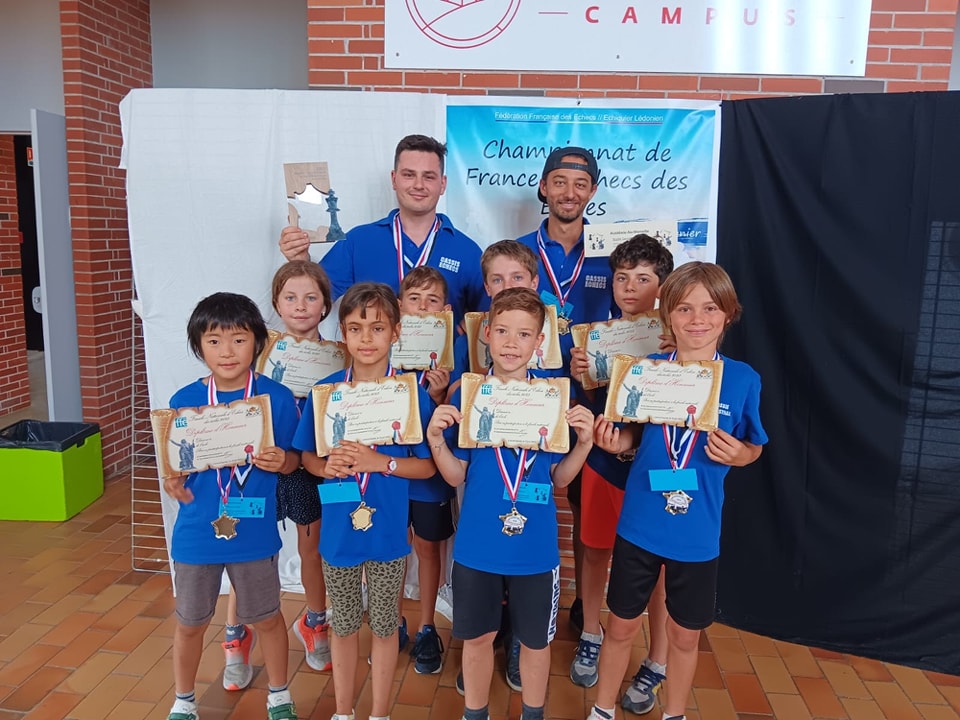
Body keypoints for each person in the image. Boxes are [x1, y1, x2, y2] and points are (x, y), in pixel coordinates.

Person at [587, 262, 767, 720]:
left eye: (710, 308)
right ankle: (602, 710)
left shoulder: (743, 379)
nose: (697, 319)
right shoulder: (646, 371)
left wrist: (739, 455)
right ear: (667, 315)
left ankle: (674, 713)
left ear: (728, 314)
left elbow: (754, 448)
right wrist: (617, 442)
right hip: (640, 525)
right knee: (621, 627)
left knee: (686, 635)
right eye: (684, 308)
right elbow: (633, 439)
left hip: (697, 532)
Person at [426, 287, 596, 720]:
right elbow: (456, 475)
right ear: (486, 334)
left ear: (539, 343)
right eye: (501, 331)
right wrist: (435, 441)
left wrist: (584, 444)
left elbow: (559, 479)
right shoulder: (467, 395)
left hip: (535, 551)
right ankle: (475, 713)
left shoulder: (553, 400)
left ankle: (533, 714)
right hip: (477, 546)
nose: (510, 342)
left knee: (536, 643)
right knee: (478, 638)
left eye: (523, 334)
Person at [294, 283, 438, 720]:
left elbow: (429, 467)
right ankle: (343, 711)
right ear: (342, 334)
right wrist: (325, 469)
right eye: (356, 328)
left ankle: (378, 713)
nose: (367, 338)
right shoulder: (326, 392)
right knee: (342, 624)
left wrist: (381, 463)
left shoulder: (412, 395)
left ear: (396, 332)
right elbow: (306, 456)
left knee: (383, 626)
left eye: (377, 328)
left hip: (390, 535)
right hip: (338, 535)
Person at [162, 292, 301, 720]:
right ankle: (183, 700)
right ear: (198, 345)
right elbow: (175, 470)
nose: (227, 351)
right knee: (189, 622)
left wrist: (284, 461)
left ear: (258, 342)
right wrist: (174, 483)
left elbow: (294, 459)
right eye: (215, 340)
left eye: (239, 340)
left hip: (255, 532)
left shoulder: (275, 398)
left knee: (267, 617)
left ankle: (279, 695)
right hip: (196, 533)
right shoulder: (183, 401)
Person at [567, 235, 673, 710]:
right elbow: (586, 405)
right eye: (622, 277)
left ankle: (658, 661)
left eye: (643, 278)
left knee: (660, 572)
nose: (630, 287)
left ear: (663, 284)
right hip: (605, 464)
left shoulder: (678, 343)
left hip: (660, 472)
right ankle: (591, 631)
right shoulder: (597, 339)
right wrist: (580, 372)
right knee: (594, 552)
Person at [518, 146, 615, 634]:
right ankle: (512, 604)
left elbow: (634, 328)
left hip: (587, 405)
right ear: (543, 187)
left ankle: (581, 605)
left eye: (579, 184)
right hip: (524, 402)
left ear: (592, 191)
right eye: (559, 181)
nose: (569, 192)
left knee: (581, 506)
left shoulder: (613, 256)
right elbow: (483, 326)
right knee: (514, 492)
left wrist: (597, 362)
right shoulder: (517, 253)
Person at [278, 134, 485, 325]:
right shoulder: (358, 241)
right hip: (372, 364)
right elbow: (317, 298)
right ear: (394, 179)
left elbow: (489, 319)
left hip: (441, 366)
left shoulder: (468, 251)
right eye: (409, 175)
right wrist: (301, 260)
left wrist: (465, 333)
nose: (419, 185)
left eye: (429, 176)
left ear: (443, 183)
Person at [396, 266, 456, 674]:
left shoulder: (457, 350)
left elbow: (460, 410)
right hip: (386, 470)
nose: (422, 307)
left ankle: (427, 626)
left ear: (446, 310)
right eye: (414, 299)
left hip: (431, 471)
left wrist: (437, 394)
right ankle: (392, 620)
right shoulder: (382, 343)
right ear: (400, 308)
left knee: (429, 547)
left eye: (432, 300)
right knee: (392, 544)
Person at [450, 239, 541, 390]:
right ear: (487, 287)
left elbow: (566, 399)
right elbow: (451, 396)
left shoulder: (557, 345)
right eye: (497, 280)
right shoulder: (465, 343)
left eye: (517, 277)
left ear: (534, 283)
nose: (507, 287)